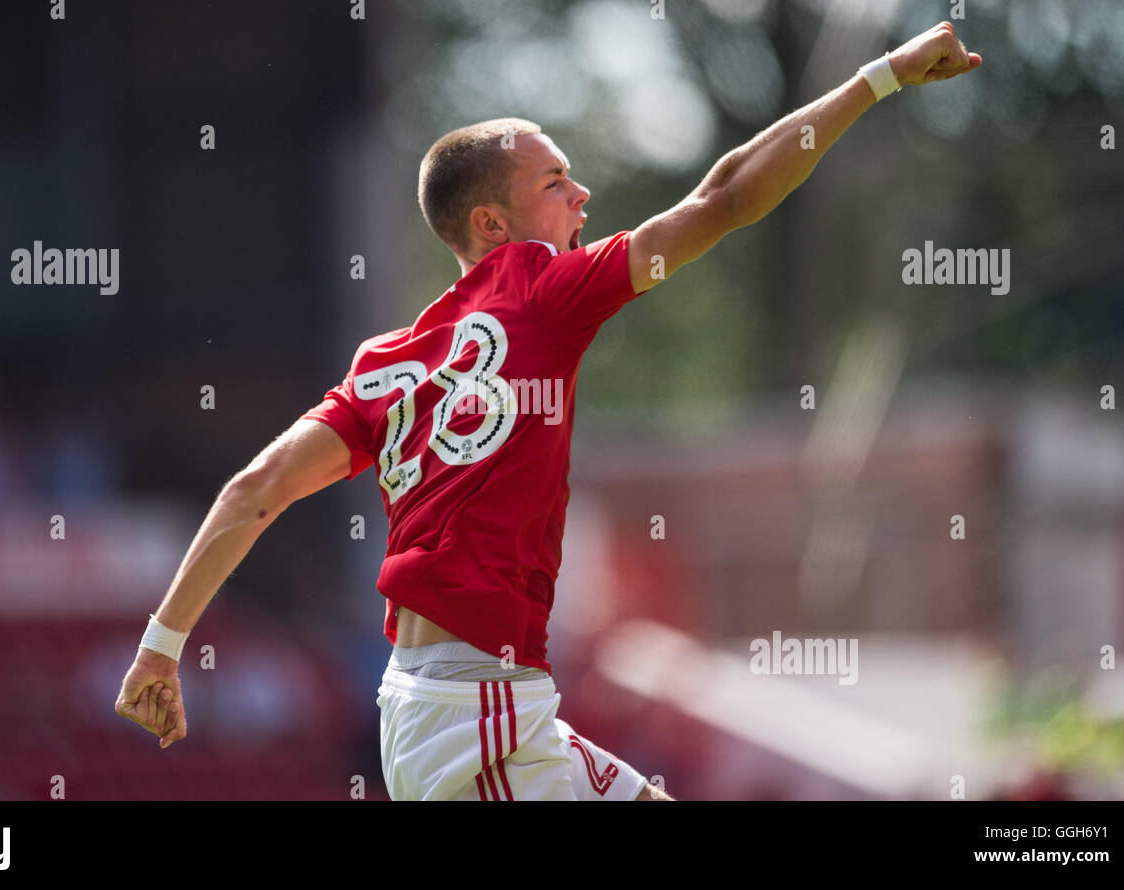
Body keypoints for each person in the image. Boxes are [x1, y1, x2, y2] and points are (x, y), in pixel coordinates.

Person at [115, 21, 981, 800]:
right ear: (494, 224)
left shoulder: (384, 366)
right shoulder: (541, 291)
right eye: (556, 180)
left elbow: (254, 486)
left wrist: (162, 641)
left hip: (460, 702)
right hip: (474, 711)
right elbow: (725, 198)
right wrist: (883, 77)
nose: (584, 197)